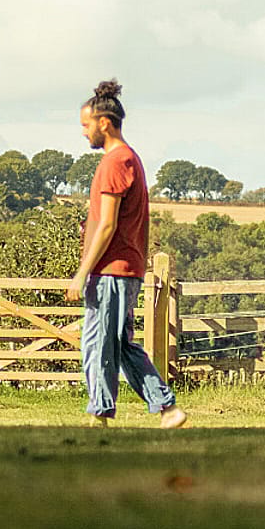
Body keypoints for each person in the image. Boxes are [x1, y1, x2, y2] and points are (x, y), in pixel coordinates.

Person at [66, 80, 187, 429]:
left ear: (104, 122)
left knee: (98, 343)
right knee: (117, 344)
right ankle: (166, 408)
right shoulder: (129, 159)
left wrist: (82, 272)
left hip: (111, 270)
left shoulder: (115, 162)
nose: (84, 133)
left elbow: (106, 225)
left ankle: (100, 412)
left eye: (86, 125)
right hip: (124, 268)